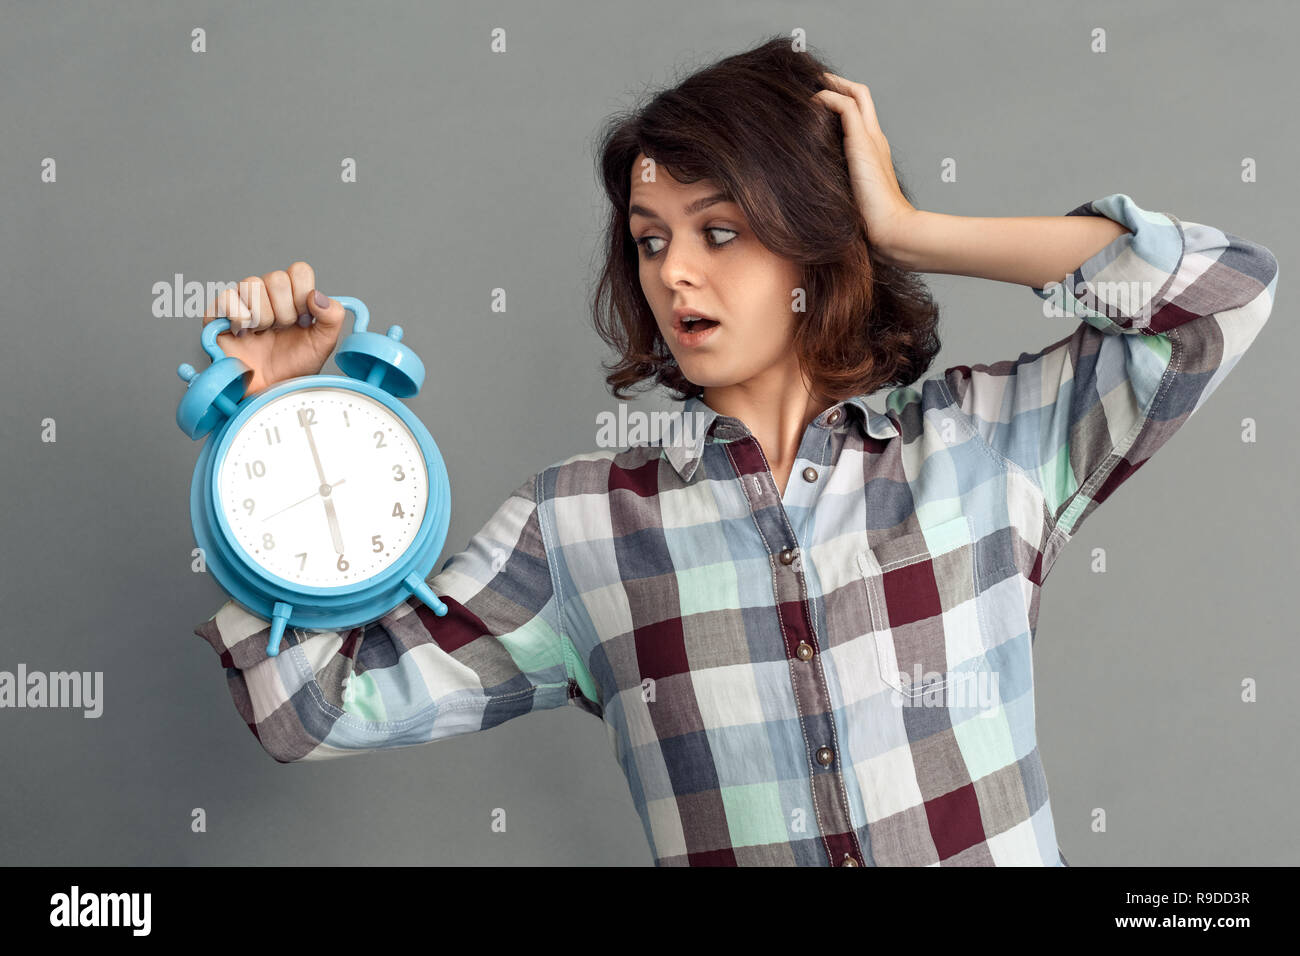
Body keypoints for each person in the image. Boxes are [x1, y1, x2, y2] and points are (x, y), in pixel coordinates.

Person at [192, 36, 1278, 866]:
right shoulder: (576, 529)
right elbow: (309, 705)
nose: (672, 273)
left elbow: (1219, 296)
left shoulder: (991, 442)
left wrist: (909, 229)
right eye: (650, 238)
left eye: (720, 230)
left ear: (815, 230)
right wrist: (280, 424)